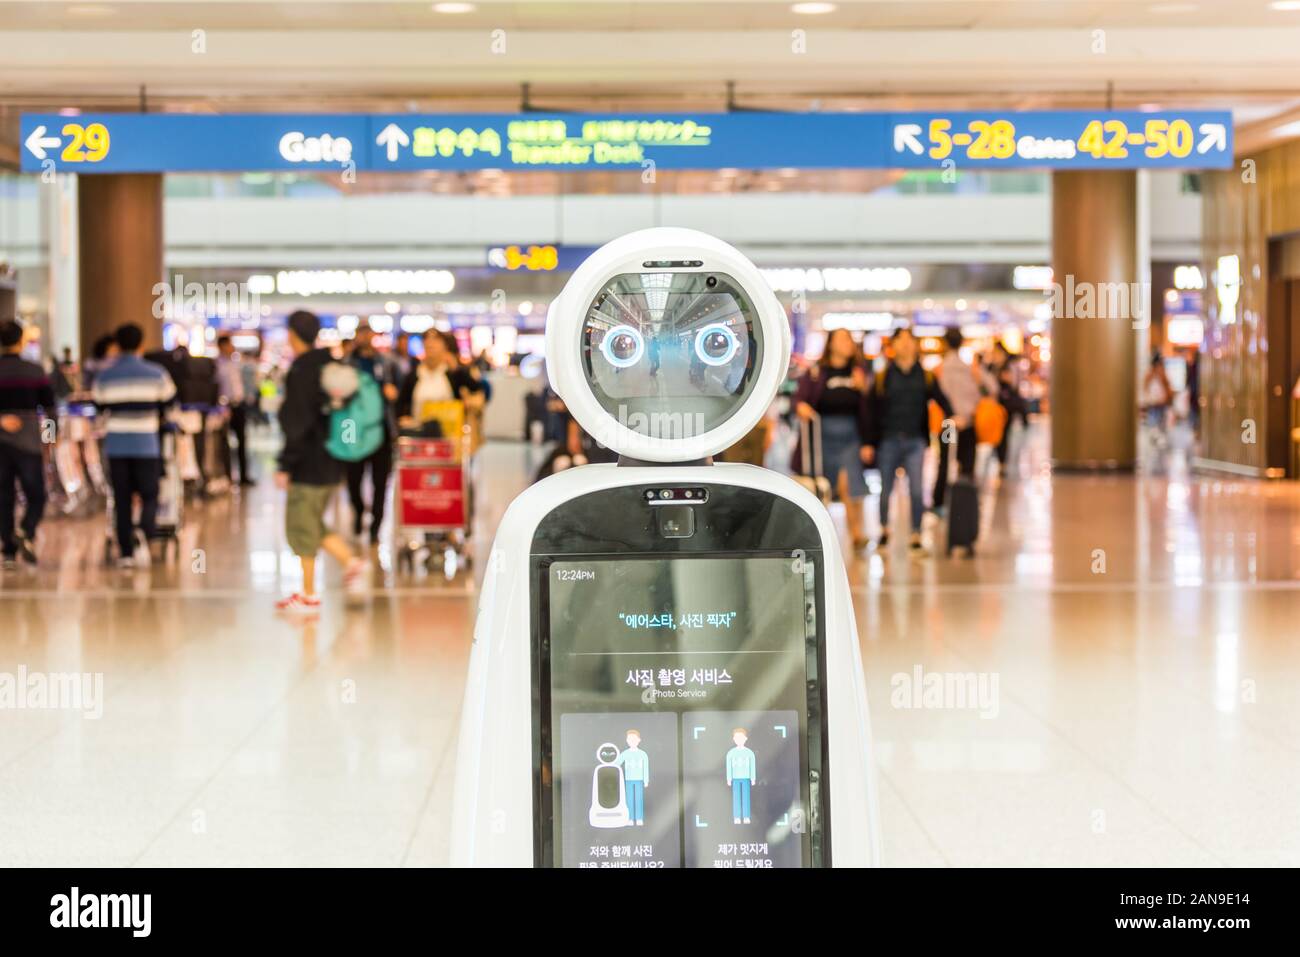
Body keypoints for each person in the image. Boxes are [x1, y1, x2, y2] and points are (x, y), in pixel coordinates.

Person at [275, 310, 366, 615]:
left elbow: (297, 422)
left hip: (308, 462)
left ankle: (309, 594)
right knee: (312, 520)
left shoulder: (303, 369)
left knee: (301, 525)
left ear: (292, 334)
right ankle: (350, 562)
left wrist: (286, 463)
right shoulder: (331, 365)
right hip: (334, 458)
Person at [92, 323, 177, 568]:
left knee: (122, 499)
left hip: (116, 446)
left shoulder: (105, 376)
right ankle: (145, 530)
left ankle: (126, 554)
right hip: (146, 445)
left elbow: (98, 411)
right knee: (150, 494)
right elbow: (170, 407)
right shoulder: (157, 373)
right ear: (141, 344)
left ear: (117, 345)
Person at [864, 326, 952, 554]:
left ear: (915, 345)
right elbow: (871, 411)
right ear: (892, 346)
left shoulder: (926, 376)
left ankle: (916, 531)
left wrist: (954, 416)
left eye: (909, 339)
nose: (904, 344)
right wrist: (869, 442)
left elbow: (942, 400)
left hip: (915, 441)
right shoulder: (884, 377)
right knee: (885, 491)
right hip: (888, 440)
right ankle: (884, 530)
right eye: (899, 339)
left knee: (916, 489)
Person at [793, 328, 872, 551]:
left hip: (850, 434)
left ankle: (857, 533)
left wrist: (863, 388)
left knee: (851, 484)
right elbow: (800, 397)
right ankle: (820, 533)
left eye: (849, 339)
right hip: (822, 435)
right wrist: (801, 406)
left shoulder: (857, 372)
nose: (847, 343)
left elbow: (869, 407)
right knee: (823, 485)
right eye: (842, 339)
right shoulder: (818, 372)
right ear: (831, 344)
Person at [0, 320, 55, 569]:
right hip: (30, 443)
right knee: (36, 495)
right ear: (22, 340)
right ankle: (27, 530)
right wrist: (50, 438)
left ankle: (9, 549)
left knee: (4, 497)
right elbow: (51, 408)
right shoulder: (35, 370)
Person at [345, 320, 401, 544]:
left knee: (381, 482)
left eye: (368, 332)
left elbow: (399, 392)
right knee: (353, 480)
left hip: (382, 429)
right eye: (361, 332)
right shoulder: (347, 363)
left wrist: (392, 394)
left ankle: (376, 527)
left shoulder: (386, 363)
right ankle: (359, 511)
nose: (365, 337)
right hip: (352, 430)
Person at [931, 327, 991, 516]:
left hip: (948, 425)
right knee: (967, 464)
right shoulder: (970, 369)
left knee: (945, 464)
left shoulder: (939, 370)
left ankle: (939, 502)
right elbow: (991, 389)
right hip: (968, 424)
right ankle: (966, 505)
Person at [396, 328, 486, 434]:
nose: (430, 344)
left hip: (450, 435)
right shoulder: (414, 375)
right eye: (427, 340)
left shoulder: (453, 373)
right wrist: (404, 418)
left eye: (435, 340)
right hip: (419, 434)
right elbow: (401, 404)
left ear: (445, 346)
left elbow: (480, 389)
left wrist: (469, 402)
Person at [215, 334, 254, 486]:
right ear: (222, 346)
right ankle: (228, 476)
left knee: (242, 441)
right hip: (226, 407)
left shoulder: (235, 363)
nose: (232, 347)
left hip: (239, 405)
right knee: (224, 443)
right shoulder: (217, 365)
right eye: (229, 344)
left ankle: (244, 476)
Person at [614, 730, 649, 827]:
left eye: (634, 739)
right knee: (629, 800)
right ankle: (629, 818)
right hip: (628, 781)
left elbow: (646, 768)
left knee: (638, 800)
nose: (632, 741)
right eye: (630, 739)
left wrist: (646, 781)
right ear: (627, 741)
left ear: (639, 740)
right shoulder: (625, 753)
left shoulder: (643, 754)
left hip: (639, 781)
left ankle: (639, 818)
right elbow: (617, 764)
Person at [725, 728, 757, 825]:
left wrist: (753, 778)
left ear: (745, 739)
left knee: (746, 797)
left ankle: (746, 817)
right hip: (735, 779)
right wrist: (729, 778)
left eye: (741, 738)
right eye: (737, 738)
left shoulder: (749, 753)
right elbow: (729, 767)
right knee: (736, 798)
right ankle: (737, 817)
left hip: (746, 778)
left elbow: (752, 766)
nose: (739, 740)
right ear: (734, 739)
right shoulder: (731, 753)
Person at [1141, 351, 1173, 445]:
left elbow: (1168, 390)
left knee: (1161, 422)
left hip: (1162, 404)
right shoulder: (1149, 376)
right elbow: (1146, 390)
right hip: (1153, 404)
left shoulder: (1163, 376)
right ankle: (1155, 437)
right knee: (1153, 422)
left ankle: (1159, 438)